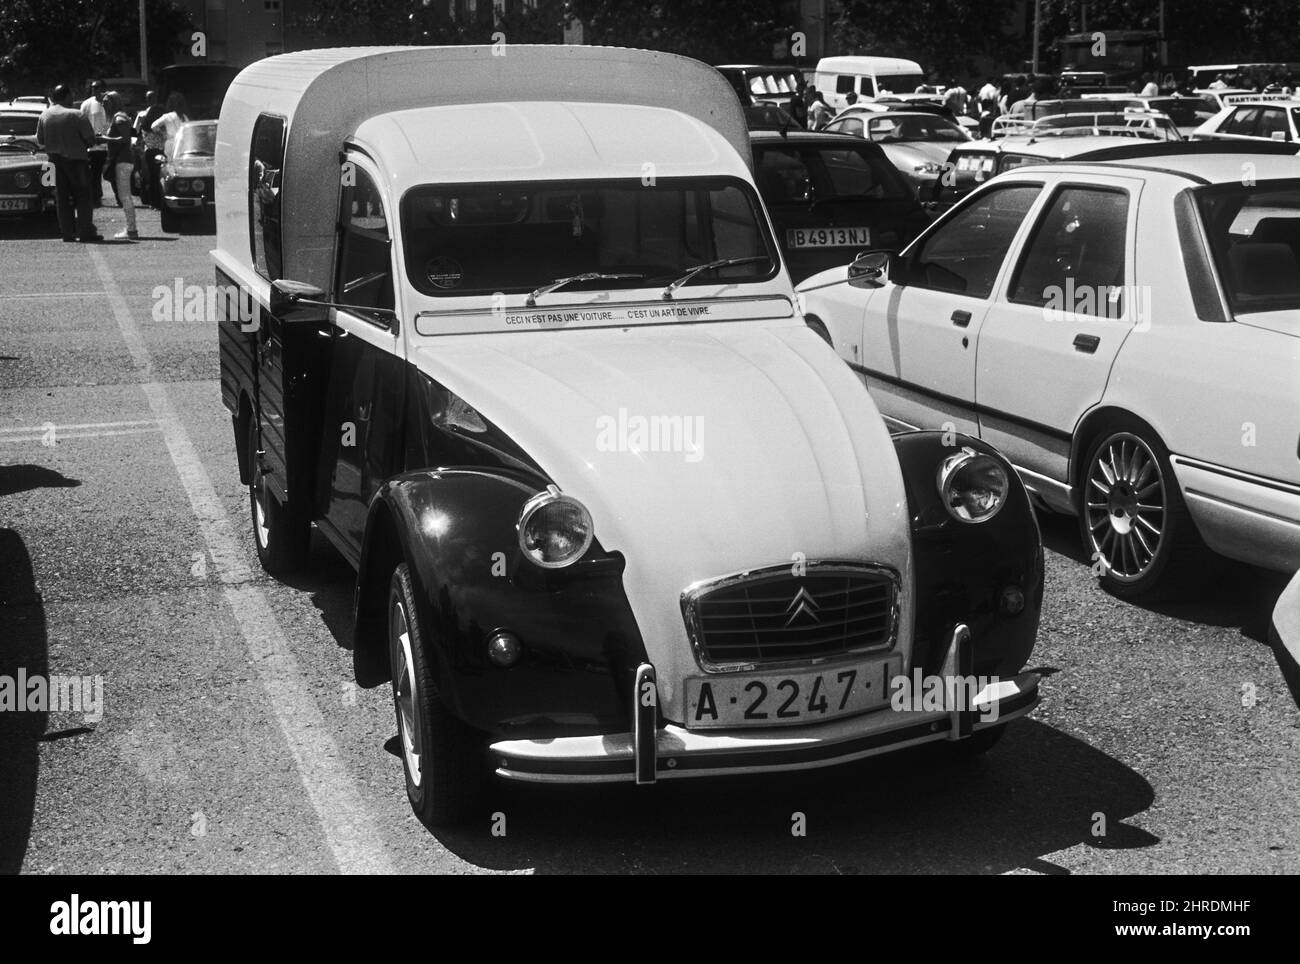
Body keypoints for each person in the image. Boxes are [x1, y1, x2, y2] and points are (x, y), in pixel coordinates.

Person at [36, 84, 101, 242]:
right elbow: (90, 141)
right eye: (71, 96)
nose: (72, 99)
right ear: (65, 97)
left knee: (61, 198)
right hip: (77, 161)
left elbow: (40, 140)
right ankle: (86, 232)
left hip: (54, 162)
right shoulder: (77, 115)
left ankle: (67, 233)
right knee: (83, 197)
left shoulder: (45, 115)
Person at [102, 92, 139, 240]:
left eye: (106, 101)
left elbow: (125, 139)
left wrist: (103, 138)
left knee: (125, 196)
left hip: (122, 161)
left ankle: (132, 230)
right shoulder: (119, 117)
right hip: (123, 160)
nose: (103, 104)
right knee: (125, 196)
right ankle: (130, 228)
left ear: (113, 102)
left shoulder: (119, 118)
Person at [134, 89, 166, 207]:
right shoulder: (162, 115)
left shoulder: (144, 117)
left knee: (151, 177)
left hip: (149, 151)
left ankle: (154, 202)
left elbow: (137, 132)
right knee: (159, 176)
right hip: (161, 150)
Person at [80, 80, 110, 205]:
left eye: (98, 88)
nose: (95, 91)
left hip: (110, 143)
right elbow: (81, 122)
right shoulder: (87, 104)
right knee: (95, 173)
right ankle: (96, 197)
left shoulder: (110, 102)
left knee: (111, 173)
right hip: (95, 146)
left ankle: (119, 197)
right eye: (93, 88)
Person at [151, 92, 190, 160]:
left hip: (171, 144)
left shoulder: (167, 116)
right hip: (183, 145)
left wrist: (163, 133)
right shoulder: (184, 117)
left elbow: (153, 126)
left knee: (171, 165)